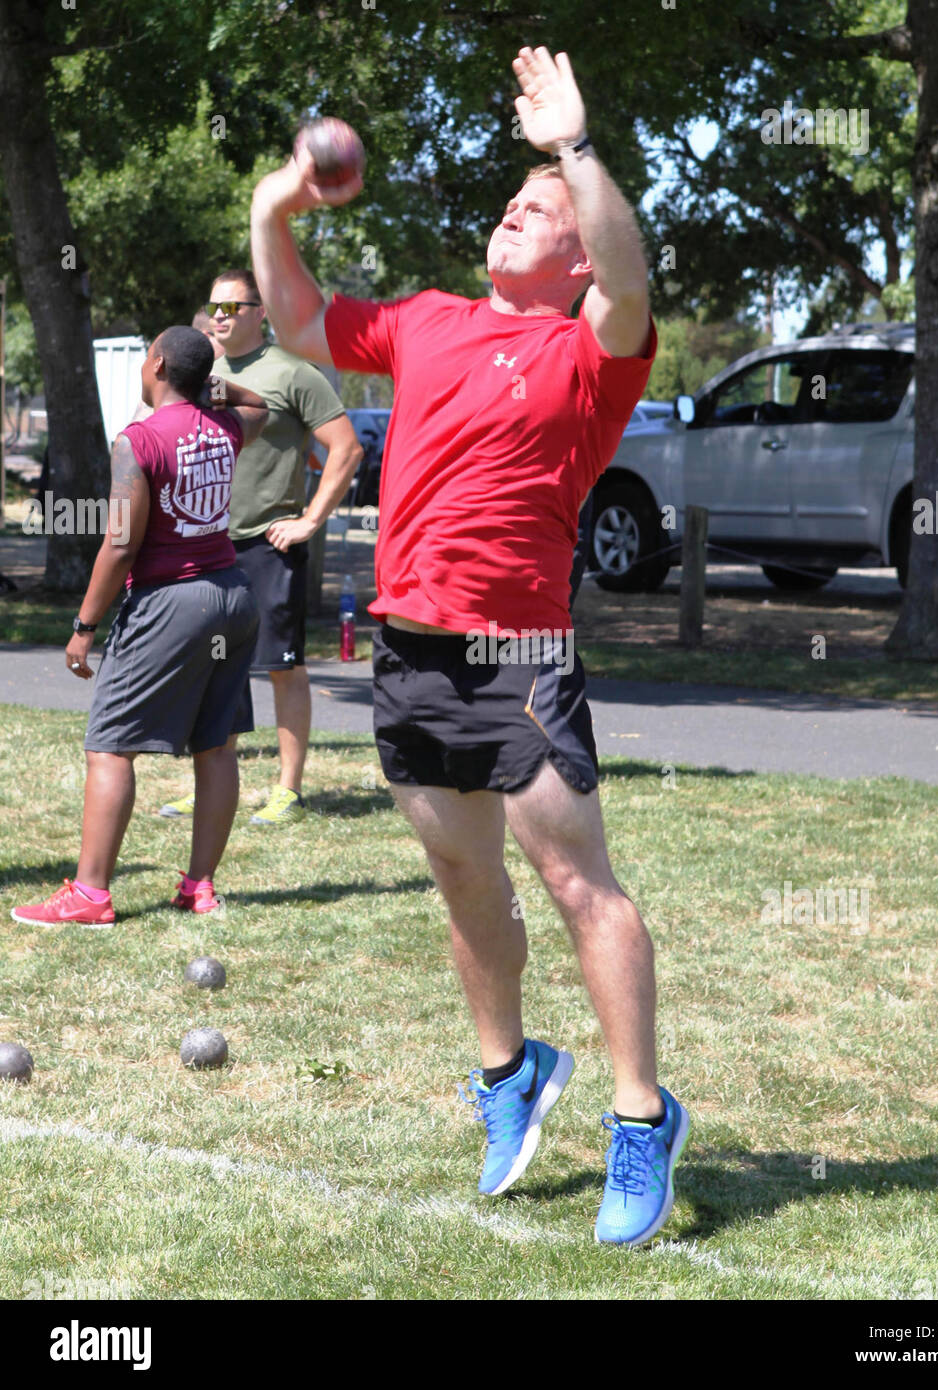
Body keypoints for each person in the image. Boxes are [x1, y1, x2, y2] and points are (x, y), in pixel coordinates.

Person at [249, 45, 688, 1247]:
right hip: (408, 650)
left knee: (574, 880)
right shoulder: (426, 322)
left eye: (540, 211)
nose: (516, 209)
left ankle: (640, 1116)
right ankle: (509, 1074)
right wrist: (273, 205)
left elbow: (632, 270)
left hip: (517, 654)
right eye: (513, 199)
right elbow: (291, 317)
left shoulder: (594, 351)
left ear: (578, 257)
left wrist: (573, 149)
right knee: (460, 877)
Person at [11, 327, 268, 927]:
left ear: (153, 364)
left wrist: (84, 626)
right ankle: (199, 886)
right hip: (233, 596)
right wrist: (214, 383)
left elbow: (121, 545)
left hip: (171, 602)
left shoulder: (140, 439)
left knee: (109, 745)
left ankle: (91, 895)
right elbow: (259, 406)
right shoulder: (223, 428)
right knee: (216, 743)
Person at [160, 271, 363, 825]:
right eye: (214, 305)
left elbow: (346, 449)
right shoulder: (200, 374)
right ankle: (210, 783)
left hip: (268, 544)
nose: (220, 315)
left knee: (281, 666)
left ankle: (288, 791)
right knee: (210, 663)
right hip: (205, 547)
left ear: (262, 311)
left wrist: (309, 520)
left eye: (233, 305)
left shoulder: (294, 372)